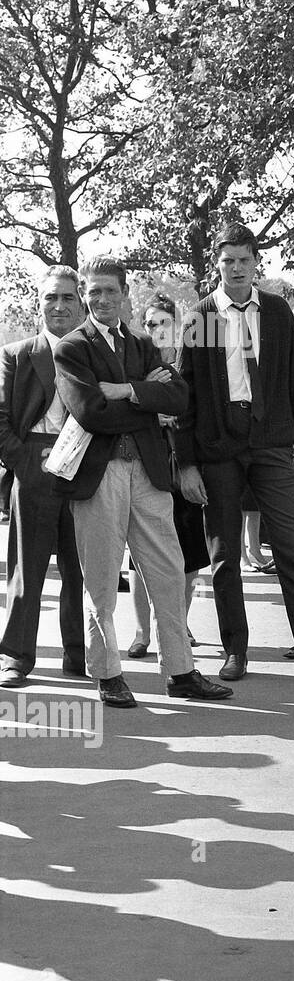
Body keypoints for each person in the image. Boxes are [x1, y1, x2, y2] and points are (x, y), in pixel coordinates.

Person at [174, 222, 294, 685]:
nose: (236, 269)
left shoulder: (276, 312)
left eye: (244, 259)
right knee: (225, 555)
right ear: (217, 264)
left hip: (272, 443)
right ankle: (235, 651)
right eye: (227, 260)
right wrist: (187, 462)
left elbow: (293, 383)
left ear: (256, 262)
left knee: (292, 549)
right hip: (218, 448)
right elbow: (187, 395)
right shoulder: (202, 317)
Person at [53, 257, 230, 706]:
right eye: (93, 292)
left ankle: (180, 671)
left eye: (110, 291)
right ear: (84, 296)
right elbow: (90, 411)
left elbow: (179, 396)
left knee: (169, 573)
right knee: (102, 580)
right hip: (100, 476)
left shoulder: (144, 343)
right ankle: (108, 673)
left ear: (125, 294)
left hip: (149, 474)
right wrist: (143, 393)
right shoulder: (71, 348)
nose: (102, 299)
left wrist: (123, 390)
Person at [0, 266, 87, 688]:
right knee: (27, 568)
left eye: (68, 297)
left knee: (80, 567)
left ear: (80, 303)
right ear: (40, 302)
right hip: (32, 462)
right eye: (51, 297)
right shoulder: (16, 354)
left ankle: (78, 655)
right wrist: (21, 462)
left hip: (83, 466)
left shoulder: (93, 352)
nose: (59, 305)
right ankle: (16, 656)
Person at [127, 293, 210, 658]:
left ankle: (177, 623)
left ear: (176, 326)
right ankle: (143, 631)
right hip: (145, 466)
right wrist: (152, 414)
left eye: (163, 322)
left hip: (186, 468)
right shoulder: (134, 362)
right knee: (140, 556)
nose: (156, 329)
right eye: (149, 323)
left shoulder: (189, 363)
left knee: (188, 556)